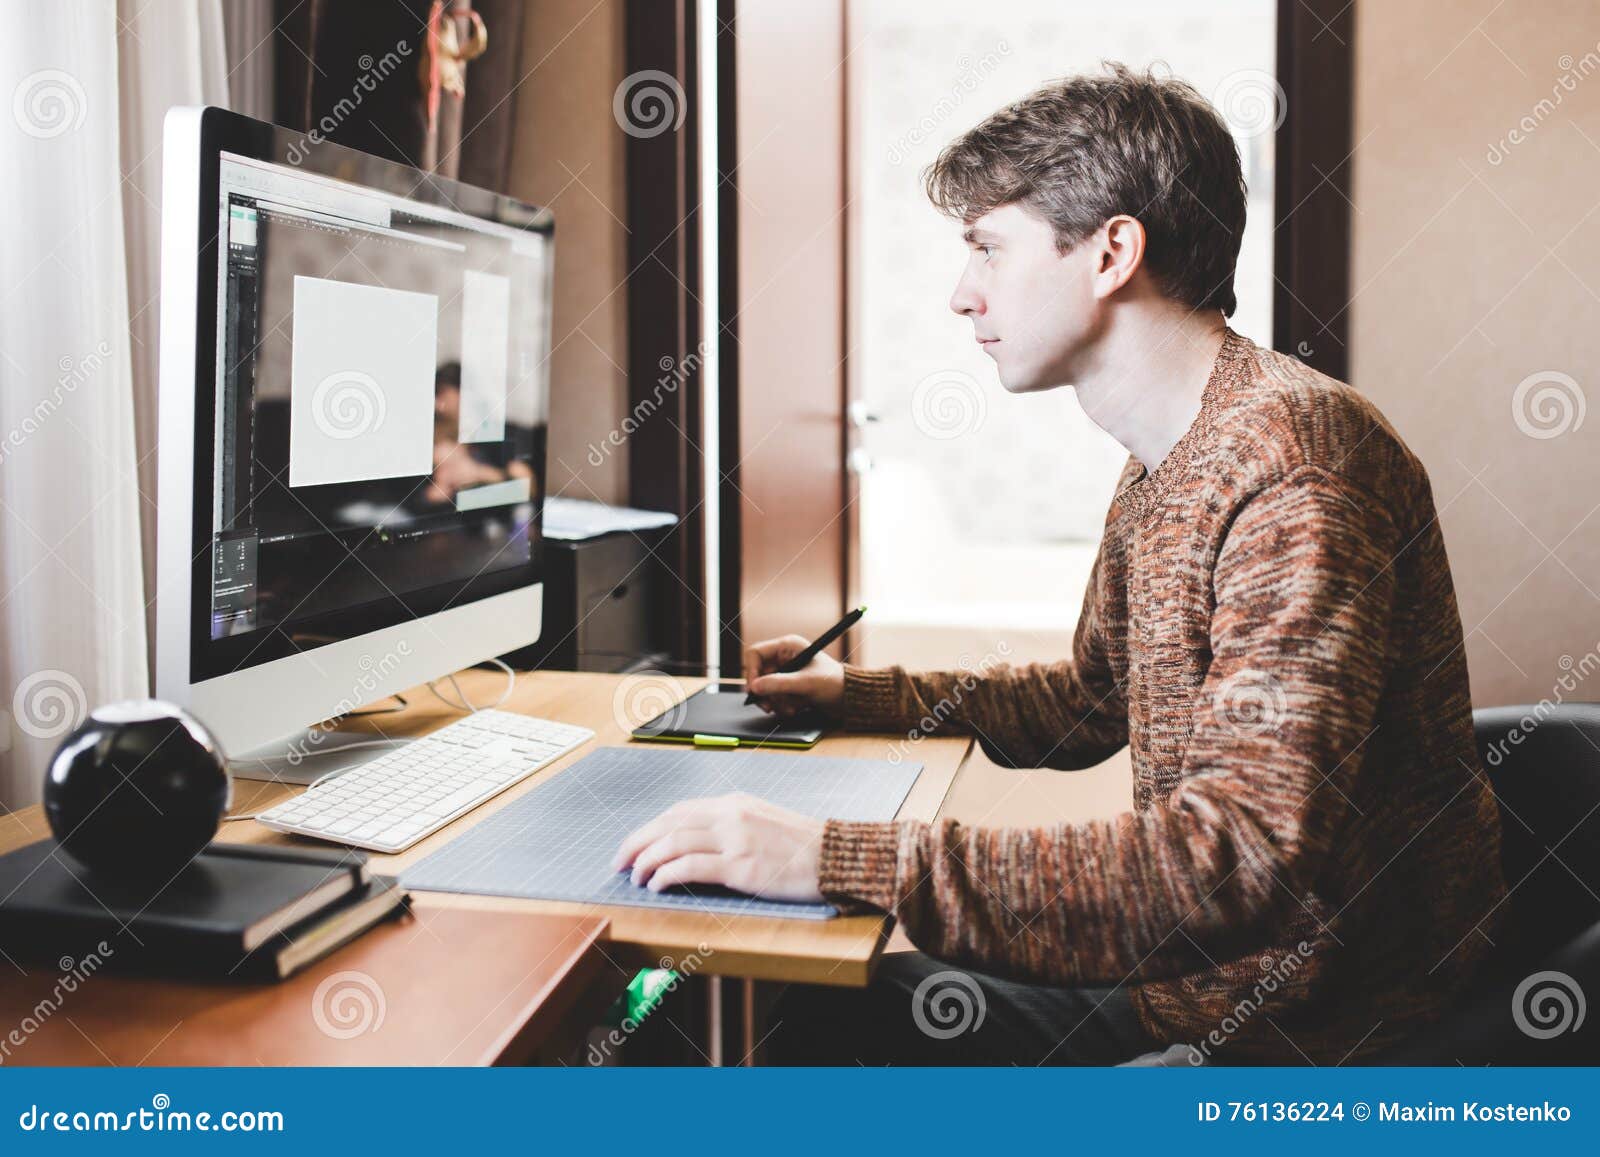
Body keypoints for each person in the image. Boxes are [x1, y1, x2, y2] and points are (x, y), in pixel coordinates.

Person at [613, 63, 1507, 1065]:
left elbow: (1243, 859)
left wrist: (832, 855)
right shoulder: (1168, 451)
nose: (963, 295)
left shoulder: (1294, 471)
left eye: (988, 249)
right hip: (1195, 987)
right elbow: (1092, 700)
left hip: (1312, 1038)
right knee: (823, 1009)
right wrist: (855, 695)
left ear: (1111, 252)